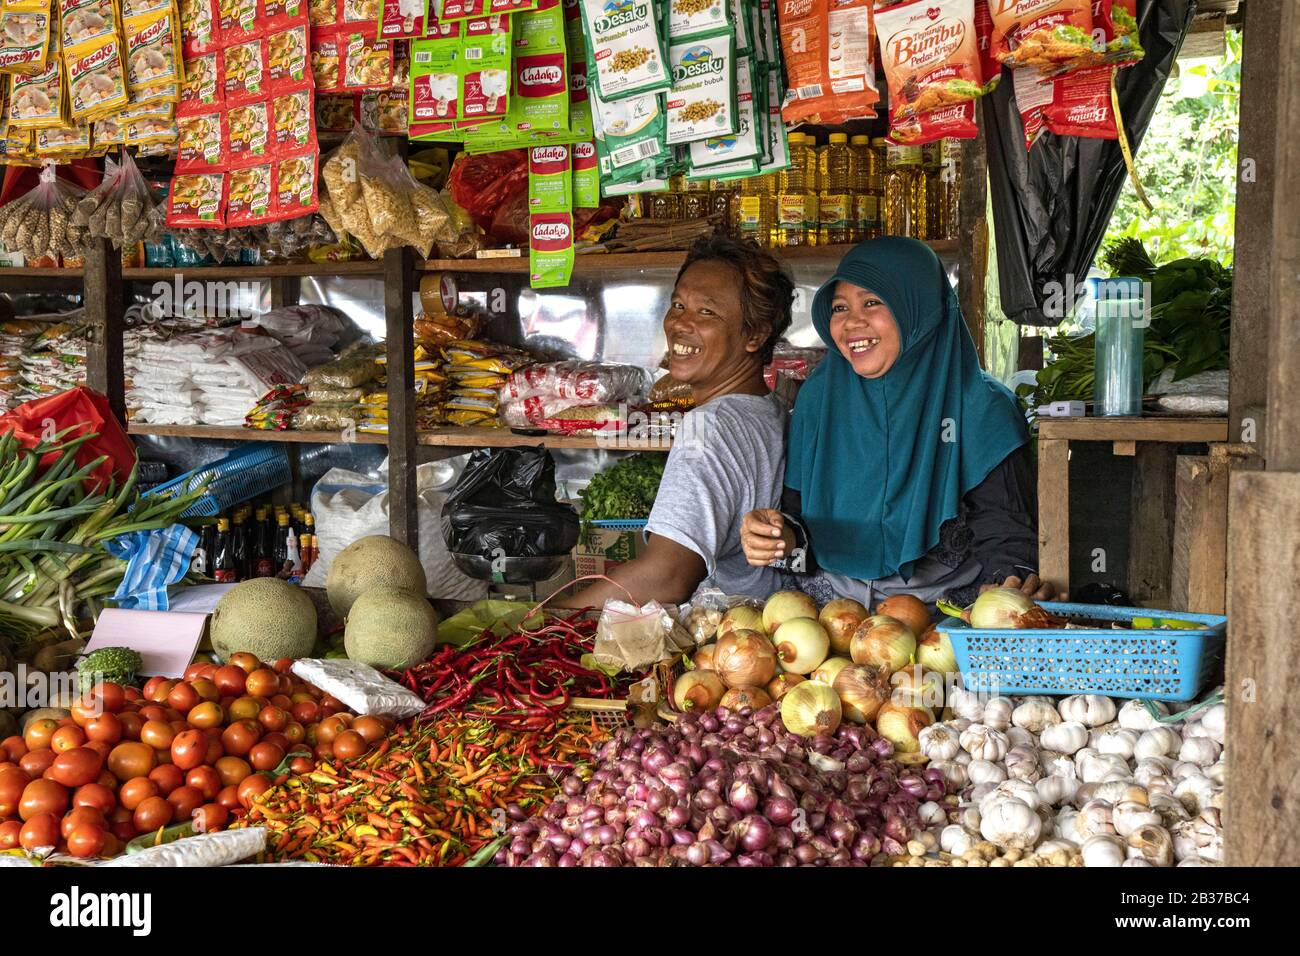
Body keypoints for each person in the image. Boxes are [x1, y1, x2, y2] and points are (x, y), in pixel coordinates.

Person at [740, 237, 1058, 609]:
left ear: (918, 307)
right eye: (840, 307)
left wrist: (1005, 588)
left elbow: (1006, 535)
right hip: (825, 620)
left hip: (941, 620)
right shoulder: (818, 399)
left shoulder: (981, 408)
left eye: (872, 302)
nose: (851, 322)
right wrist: (776, 536)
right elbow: (797, 523)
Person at [555, 236, 796, 608]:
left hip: (720, 641)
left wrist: (552, 617)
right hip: (760, 625)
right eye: (679, 305)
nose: (681, 323)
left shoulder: (711, 427)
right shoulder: (768, 408)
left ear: (755, 334)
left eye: (707, 313)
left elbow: (666, 577)